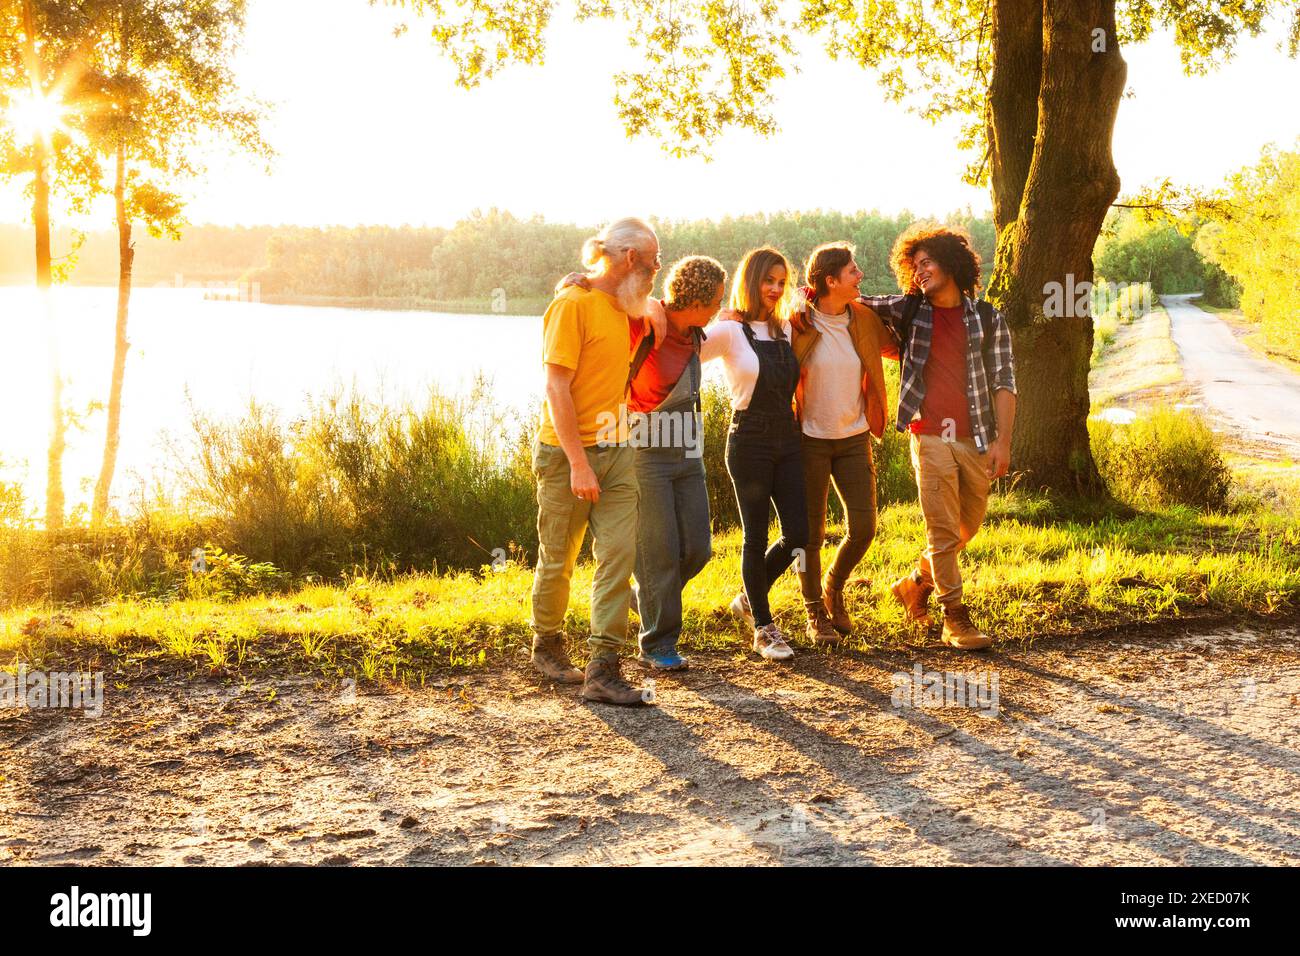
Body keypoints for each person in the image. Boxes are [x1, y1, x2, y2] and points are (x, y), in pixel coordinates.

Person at [558, 256, 728, 671]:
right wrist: (573, 281)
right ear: (700, 300)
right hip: (645, 451)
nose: (721, 308)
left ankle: (647, 597)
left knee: (698, 551)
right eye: (717, 300)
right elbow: (602, 304)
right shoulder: (647, 321)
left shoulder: (699, 332)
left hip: (686, 450)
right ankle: (657, 644)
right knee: (659, 554)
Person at [858, 223, 1017, 650]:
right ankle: (955, 617)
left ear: (951, 263)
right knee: (943, 530)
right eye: (914, 266)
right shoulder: (910, 311)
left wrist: (1003, 441)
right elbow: (852, 303)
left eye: (927, 263)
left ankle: (914, 584)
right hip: (927, 435)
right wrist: (809, 295)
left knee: (968, 527)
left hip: (975, 437)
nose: (919, 272)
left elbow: (1005, 381)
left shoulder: (987, 318)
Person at [529, 217, 667, 705]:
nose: (657, 270)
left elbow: (656, 313)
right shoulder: (571, 305)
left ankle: (603, 669)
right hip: (567, 455)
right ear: (630, 258)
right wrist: (578, 465)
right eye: (654, 262)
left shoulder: (625, 306)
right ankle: (546, 646)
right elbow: (556, 387)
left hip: (617, 449)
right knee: (559, 558)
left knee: (618, 556)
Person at [700, 247, 807, 661]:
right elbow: (684, 350)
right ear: (752, 280)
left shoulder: (785, 329)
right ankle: (763, 628)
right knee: (755, 535)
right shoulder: (729, 330)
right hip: (749, 441)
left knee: (799, 534)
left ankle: (748, 598)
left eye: (782, 282)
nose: (776, 289)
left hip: (787, 436)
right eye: (769, 281)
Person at [789, 242, 892, 645]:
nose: (859, 274)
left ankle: (834, 585)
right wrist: (797, 298)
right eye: (852, 271)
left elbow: (896, 344)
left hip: (854, 436)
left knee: (864, 527)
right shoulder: (797, 321)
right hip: (810, 440)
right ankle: (814, 611)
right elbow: (759, 316)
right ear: (830, 281)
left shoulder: (864, 317)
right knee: (809, 534)